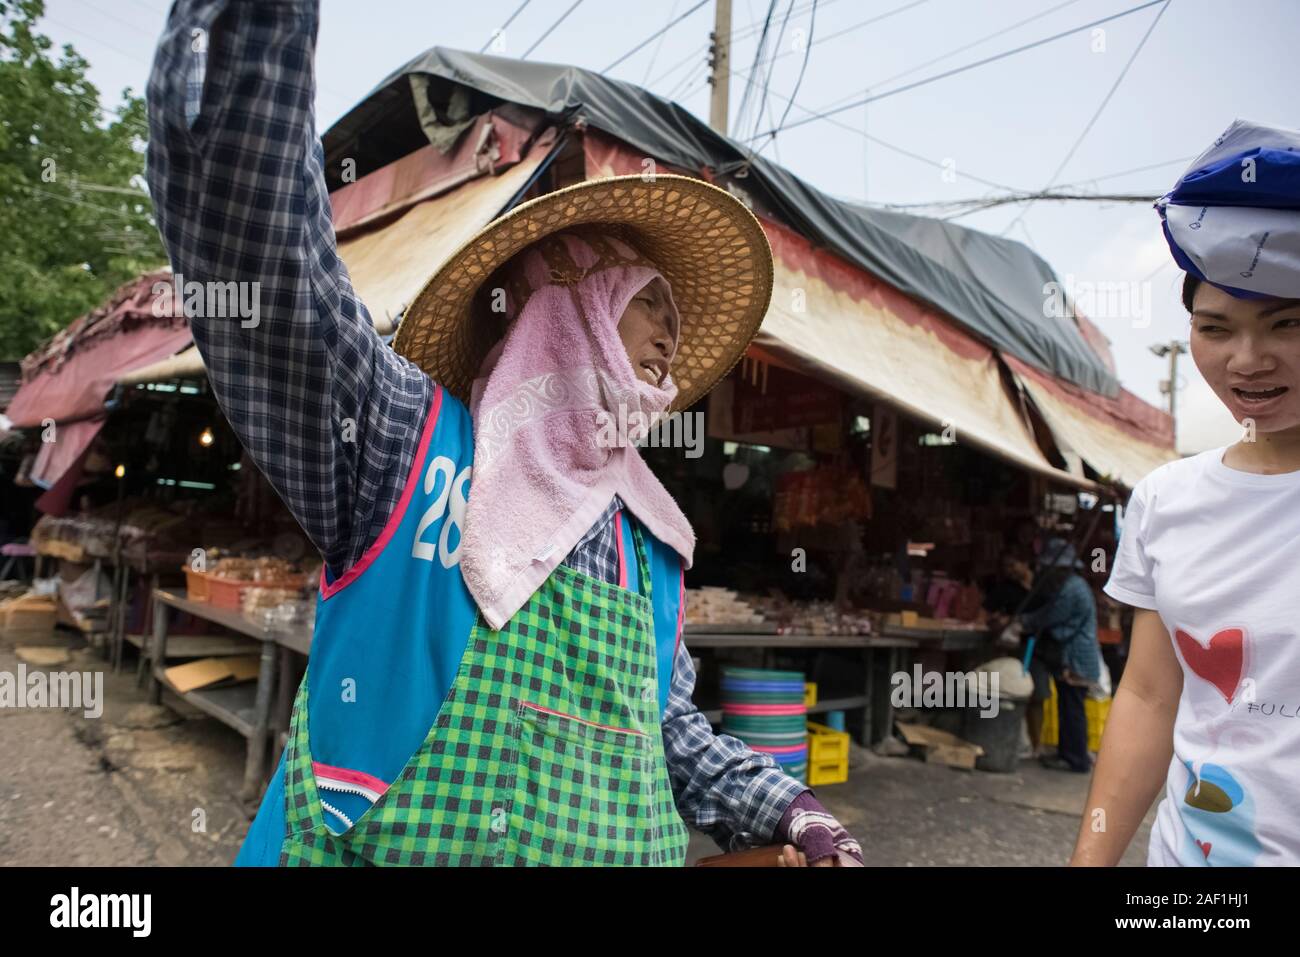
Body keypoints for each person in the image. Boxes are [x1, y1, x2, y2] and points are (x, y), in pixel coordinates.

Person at [145, 0, 862, 867]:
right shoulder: (403, 445)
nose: (672, 335)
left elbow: (664, 729)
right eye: (649, 302)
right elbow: (259, 254)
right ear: (569, 301)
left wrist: (790, 807)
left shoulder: (654, 543)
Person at [1072, 119, 1300, 866]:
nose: (1248, 360)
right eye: (1215, 326)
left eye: (1286, 323)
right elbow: (1147, 697)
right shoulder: (1165, 500)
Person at [1011, 537, 1101, 773]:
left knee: (1072, 709)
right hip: (1077, 656)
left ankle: (1075, 758)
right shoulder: (1072, 586)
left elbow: (1049, 617)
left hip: (1076, 657)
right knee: (1069, 707)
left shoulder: (1070, 590)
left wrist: (1021, 623)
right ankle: (1069, 754)